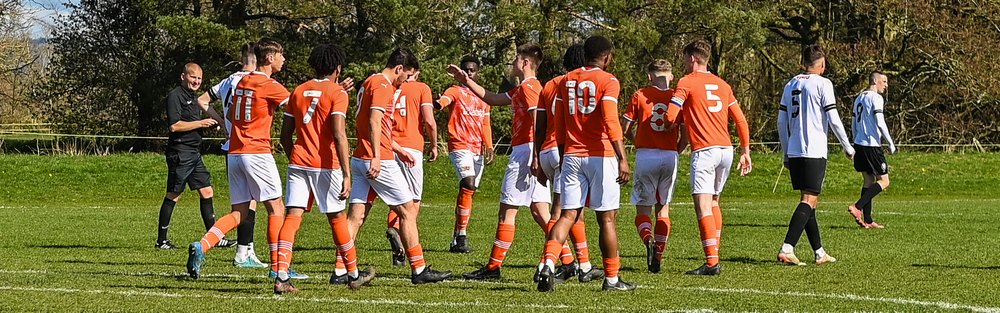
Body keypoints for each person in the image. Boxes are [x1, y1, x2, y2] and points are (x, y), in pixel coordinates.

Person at [186, 38, 292, 284]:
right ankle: (279, 269)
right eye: (280, 55)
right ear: (269, 58)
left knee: (239, 212)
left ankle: (203, 245)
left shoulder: (241, 81)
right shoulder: (270, 85)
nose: (283, 59)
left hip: (234, 151)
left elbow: (232, 113)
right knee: (276, 208)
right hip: (257, 152)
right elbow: (299, 106)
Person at [343, 47, 452, 285]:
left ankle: (341, 270)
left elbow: (368, 123)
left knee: (356, 216)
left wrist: (397, 149)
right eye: (407, 75)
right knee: (408, 211)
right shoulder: (383, 85)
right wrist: (377, 156)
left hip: (360, 157)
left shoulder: (368, 82)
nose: (406, 81)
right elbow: (374, 121)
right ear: (399, 68)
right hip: (377, 158)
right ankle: (419, 269)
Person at [534, 36, 634, 292]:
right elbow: (610, 120)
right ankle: (612, 279)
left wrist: (562, 153)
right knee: (607, 219)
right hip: (600, 155)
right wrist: (622, 157)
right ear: (607, 57)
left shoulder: (566, 80)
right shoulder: (609, 80)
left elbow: (559, 122)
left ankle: (548, 264)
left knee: (567, 215)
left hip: (571, 155)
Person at [446, 44, 553, 280]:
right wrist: (466, 80)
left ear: (525, 63)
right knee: (541, 212)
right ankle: (566, 261)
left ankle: (493, 268)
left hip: (526, 152)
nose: (513, 62)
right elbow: (492, 98)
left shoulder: (530, 87)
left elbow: (538, 121)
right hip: (530, 150)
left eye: (516, 58)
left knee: (507, 212)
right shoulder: (525, 87)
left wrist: (536, 156)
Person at [272, 43, 364, 294]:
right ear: (337, 68)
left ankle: (281, 276)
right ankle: (353, 273)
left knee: (292, 217)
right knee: (337, 218)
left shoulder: (298, 91)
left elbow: (285, 136)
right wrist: (347, 174)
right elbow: (339, 134)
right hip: (326, 164)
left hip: (298, 162)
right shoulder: (338, 93)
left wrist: (296, 157)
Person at [664, 39, 752, 276]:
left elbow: (670, 116)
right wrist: (746, 152)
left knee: (702, 205)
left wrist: (668, 125)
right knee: (714, 202)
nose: (684, 62)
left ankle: (712, 262)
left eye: (685, 58)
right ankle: (715, 252)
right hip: (726, 150)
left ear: (692, 58)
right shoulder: (723, 84)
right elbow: (741, 120)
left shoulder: (686, 81)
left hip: (705, 150)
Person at [776, 44, 855, 266]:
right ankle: (787, 248)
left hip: (794, 150)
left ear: (804, 63)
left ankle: (819, 252)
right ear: (822, 64)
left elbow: (781, 121)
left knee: (811, 201)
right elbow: (834, 119)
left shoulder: (790, 84)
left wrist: (786, 153)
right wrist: (847, 146)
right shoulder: (823, 83)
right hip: (813, 150)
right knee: (808, 199)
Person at [531, 44, 603, 283]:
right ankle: (546, 264)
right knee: (562, 211)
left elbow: (539, 125)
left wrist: (536, 156)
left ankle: (584, 265)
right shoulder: (581, 83)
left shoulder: (550, 84)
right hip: (567, 150)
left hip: (546, 150)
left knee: (574, 211)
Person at [194, 42, 265, 267]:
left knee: (241, 206)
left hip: (230, 148)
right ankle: (248, 253)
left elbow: (202, 100)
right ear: (258, 59)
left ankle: (241, 251)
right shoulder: (254, 80)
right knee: (254, 204)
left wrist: (222, 122)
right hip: (249, 146)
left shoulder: (228, 81)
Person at [621, 59, 688, 274]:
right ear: (671, 77)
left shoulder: (640, 95)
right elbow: (686, 134)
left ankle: (648, 239)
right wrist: (676, 150)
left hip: (646, 154)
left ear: (650, 77)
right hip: (670, 156)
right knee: (663, 209)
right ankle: (658, 255)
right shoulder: (678, 97)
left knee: (643, 209)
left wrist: (637, 141)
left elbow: (625, 128)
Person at [157, 62, 232, 250]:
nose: (196, 81)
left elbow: (194, 123)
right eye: (193, 77)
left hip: (194, 153)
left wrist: (211, 125)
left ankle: (215, 238)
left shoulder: (195, 98)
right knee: (174, 194)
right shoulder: (175, 96)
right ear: (183, 77)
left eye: (199, 78)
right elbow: (175, 126)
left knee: (207, 191)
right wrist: (201, 123)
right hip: (180, 152)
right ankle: (162, 241)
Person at [436, 56, 494, 253]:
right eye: (466, 70)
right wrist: (437, 103)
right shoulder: (455, 90)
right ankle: (461, 237)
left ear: (478, 73)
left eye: (472, 70)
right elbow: (444, 101)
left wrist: (489, 146)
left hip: (477, 148)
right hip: (460, 145)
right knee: (468, 183)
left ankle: (457, 238)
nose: (469, 73)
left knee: (468, 191)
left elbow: (485, 123)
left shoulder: (483, 95)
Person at [384, 71, 439, 266]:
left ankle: (398, 250)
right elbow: (429, 120)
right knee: (413, 201)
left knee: (397, 198)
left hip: (389, 147)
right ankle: (401, 236)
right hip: (411, 147)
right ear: (415, 72)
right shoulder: (422, 88)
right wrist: (434, 144)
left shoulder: (390, 88)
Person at [848, 71, 896, 228]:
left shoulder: (859, 97)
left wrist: (854, 142)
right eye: (884, 81)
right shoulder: (876, 98)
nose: (886, 85)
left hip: (859, 144)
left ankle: (867, 220)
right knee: (884, 181)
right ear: (875, 81)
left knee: (869, 180)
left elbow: (854, 122)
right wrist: (890, 143)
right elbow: (880, 122)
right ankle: (858, 207)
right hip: (871, 145)